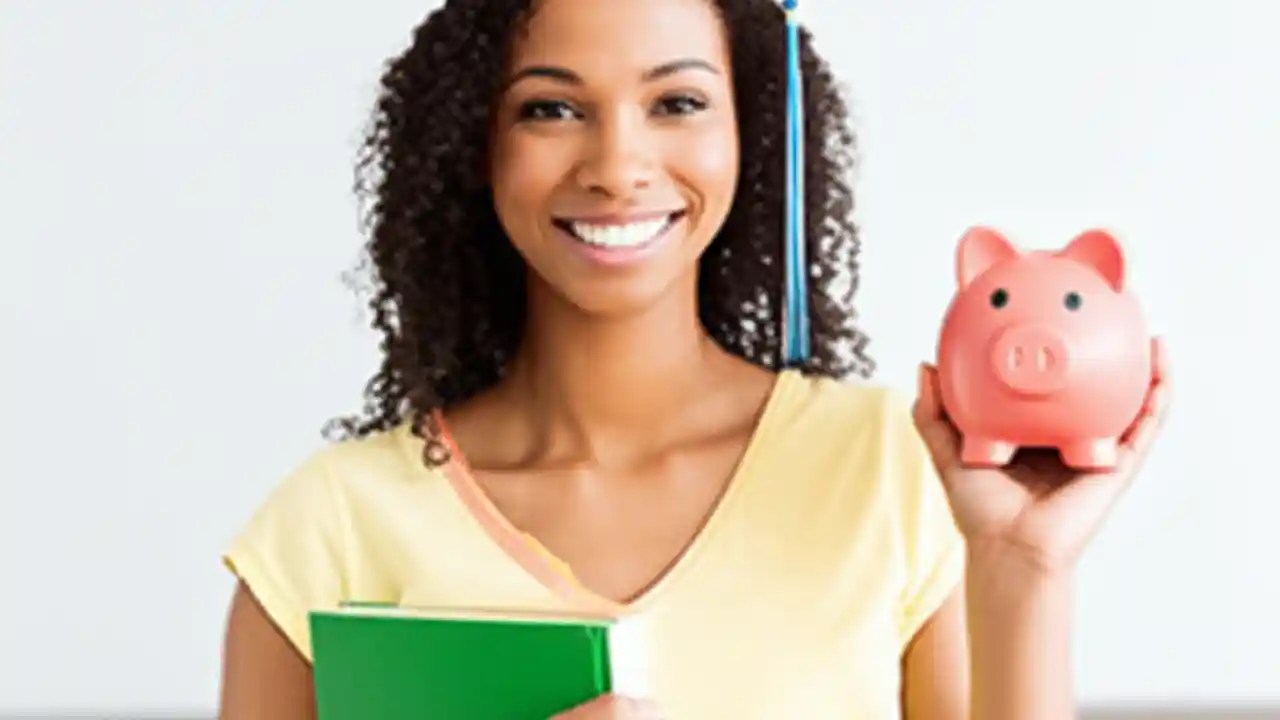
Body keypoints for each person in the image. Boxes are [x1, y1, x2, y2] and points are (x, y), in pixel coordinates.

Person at [217, 0, 1171, 717]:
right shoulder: (331, 528)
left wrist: (1021, 568)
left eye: (676, 101)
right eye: (550, 110)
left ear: (749, 132)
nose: (618, 165)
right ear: (476, 145)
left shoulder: (898, 471)